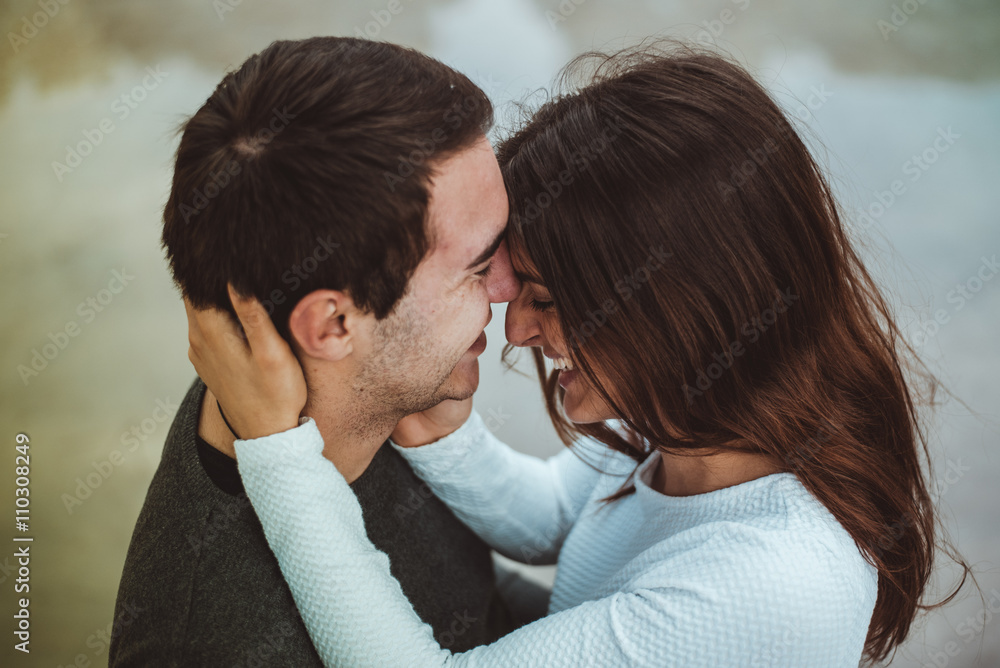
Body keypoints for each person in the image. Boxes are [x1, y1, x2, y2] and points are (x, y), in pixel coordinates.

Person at [188, 43, 972, 667]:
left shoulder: (772, 583)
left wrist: (278, 452)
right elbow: (559, 522)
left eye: (548, 297)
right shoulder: (689, 417)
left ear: (681, 307)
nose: (515, 328)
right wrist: (439, 430)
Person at [110, 37, 534, 666]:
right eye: (477, 268)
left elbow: (486, 609)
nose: (511, 288)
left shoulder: (375, 398)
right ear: (333, 325)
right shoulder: (216, 646)